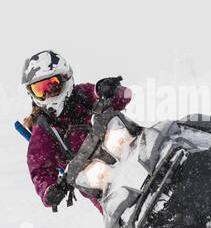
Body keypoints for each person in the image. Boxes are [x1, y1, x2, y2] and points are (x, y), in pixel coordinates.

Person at [20, 50, 131, 212]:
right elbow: (39, 167)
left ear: (66, 78)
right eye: (39, 89)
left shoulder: (82, 94)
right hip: (92, 176)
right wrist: (49, 190)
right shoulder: (43, 129)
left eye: (52, 85)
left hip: (120, 149)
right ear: (32, 94)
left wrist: (107, 90)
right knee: (117, 212)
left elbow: (125, 96)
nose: (47, 93)